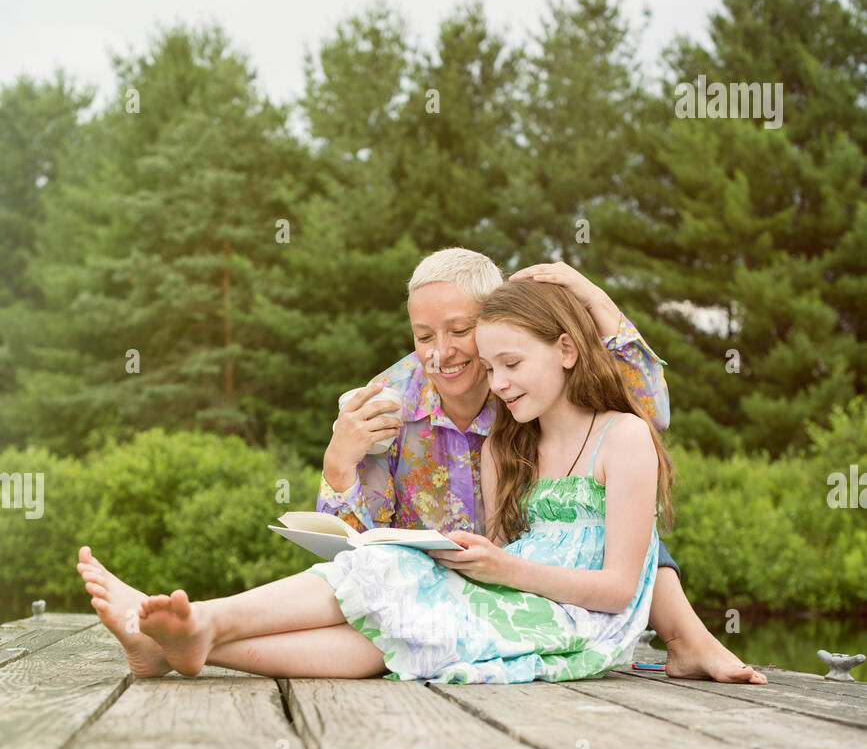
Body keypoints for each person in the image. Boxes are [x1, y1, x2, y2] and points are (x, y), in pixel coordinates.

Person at [77, 279, 670, 684]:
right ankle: (179, 643)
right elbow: (494, 552)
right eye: (494, 370)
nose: (500, 383)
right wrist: (341, 466)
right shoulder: (511, 445)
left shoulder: (624, 438)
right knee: (405, 613)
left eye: (509, 365)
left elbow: (623, 586)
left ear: (567, 349)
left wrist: (500, 568)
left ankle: (205, 624)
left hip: (578, 622)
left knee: (407, 598)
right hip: (520, 599)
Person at [319, 249, 766, 684]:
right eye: (423, 336)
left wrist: (594, 299)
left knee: (611, 508)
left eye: (460, 330)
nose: (441, 353)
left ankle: (687, 638)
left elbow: (652, 411)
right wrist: (338, 464)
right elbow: (353, 548)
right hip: (437, 579)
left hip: (533, 572)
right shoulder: (387, 401)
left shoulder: (524, 385)